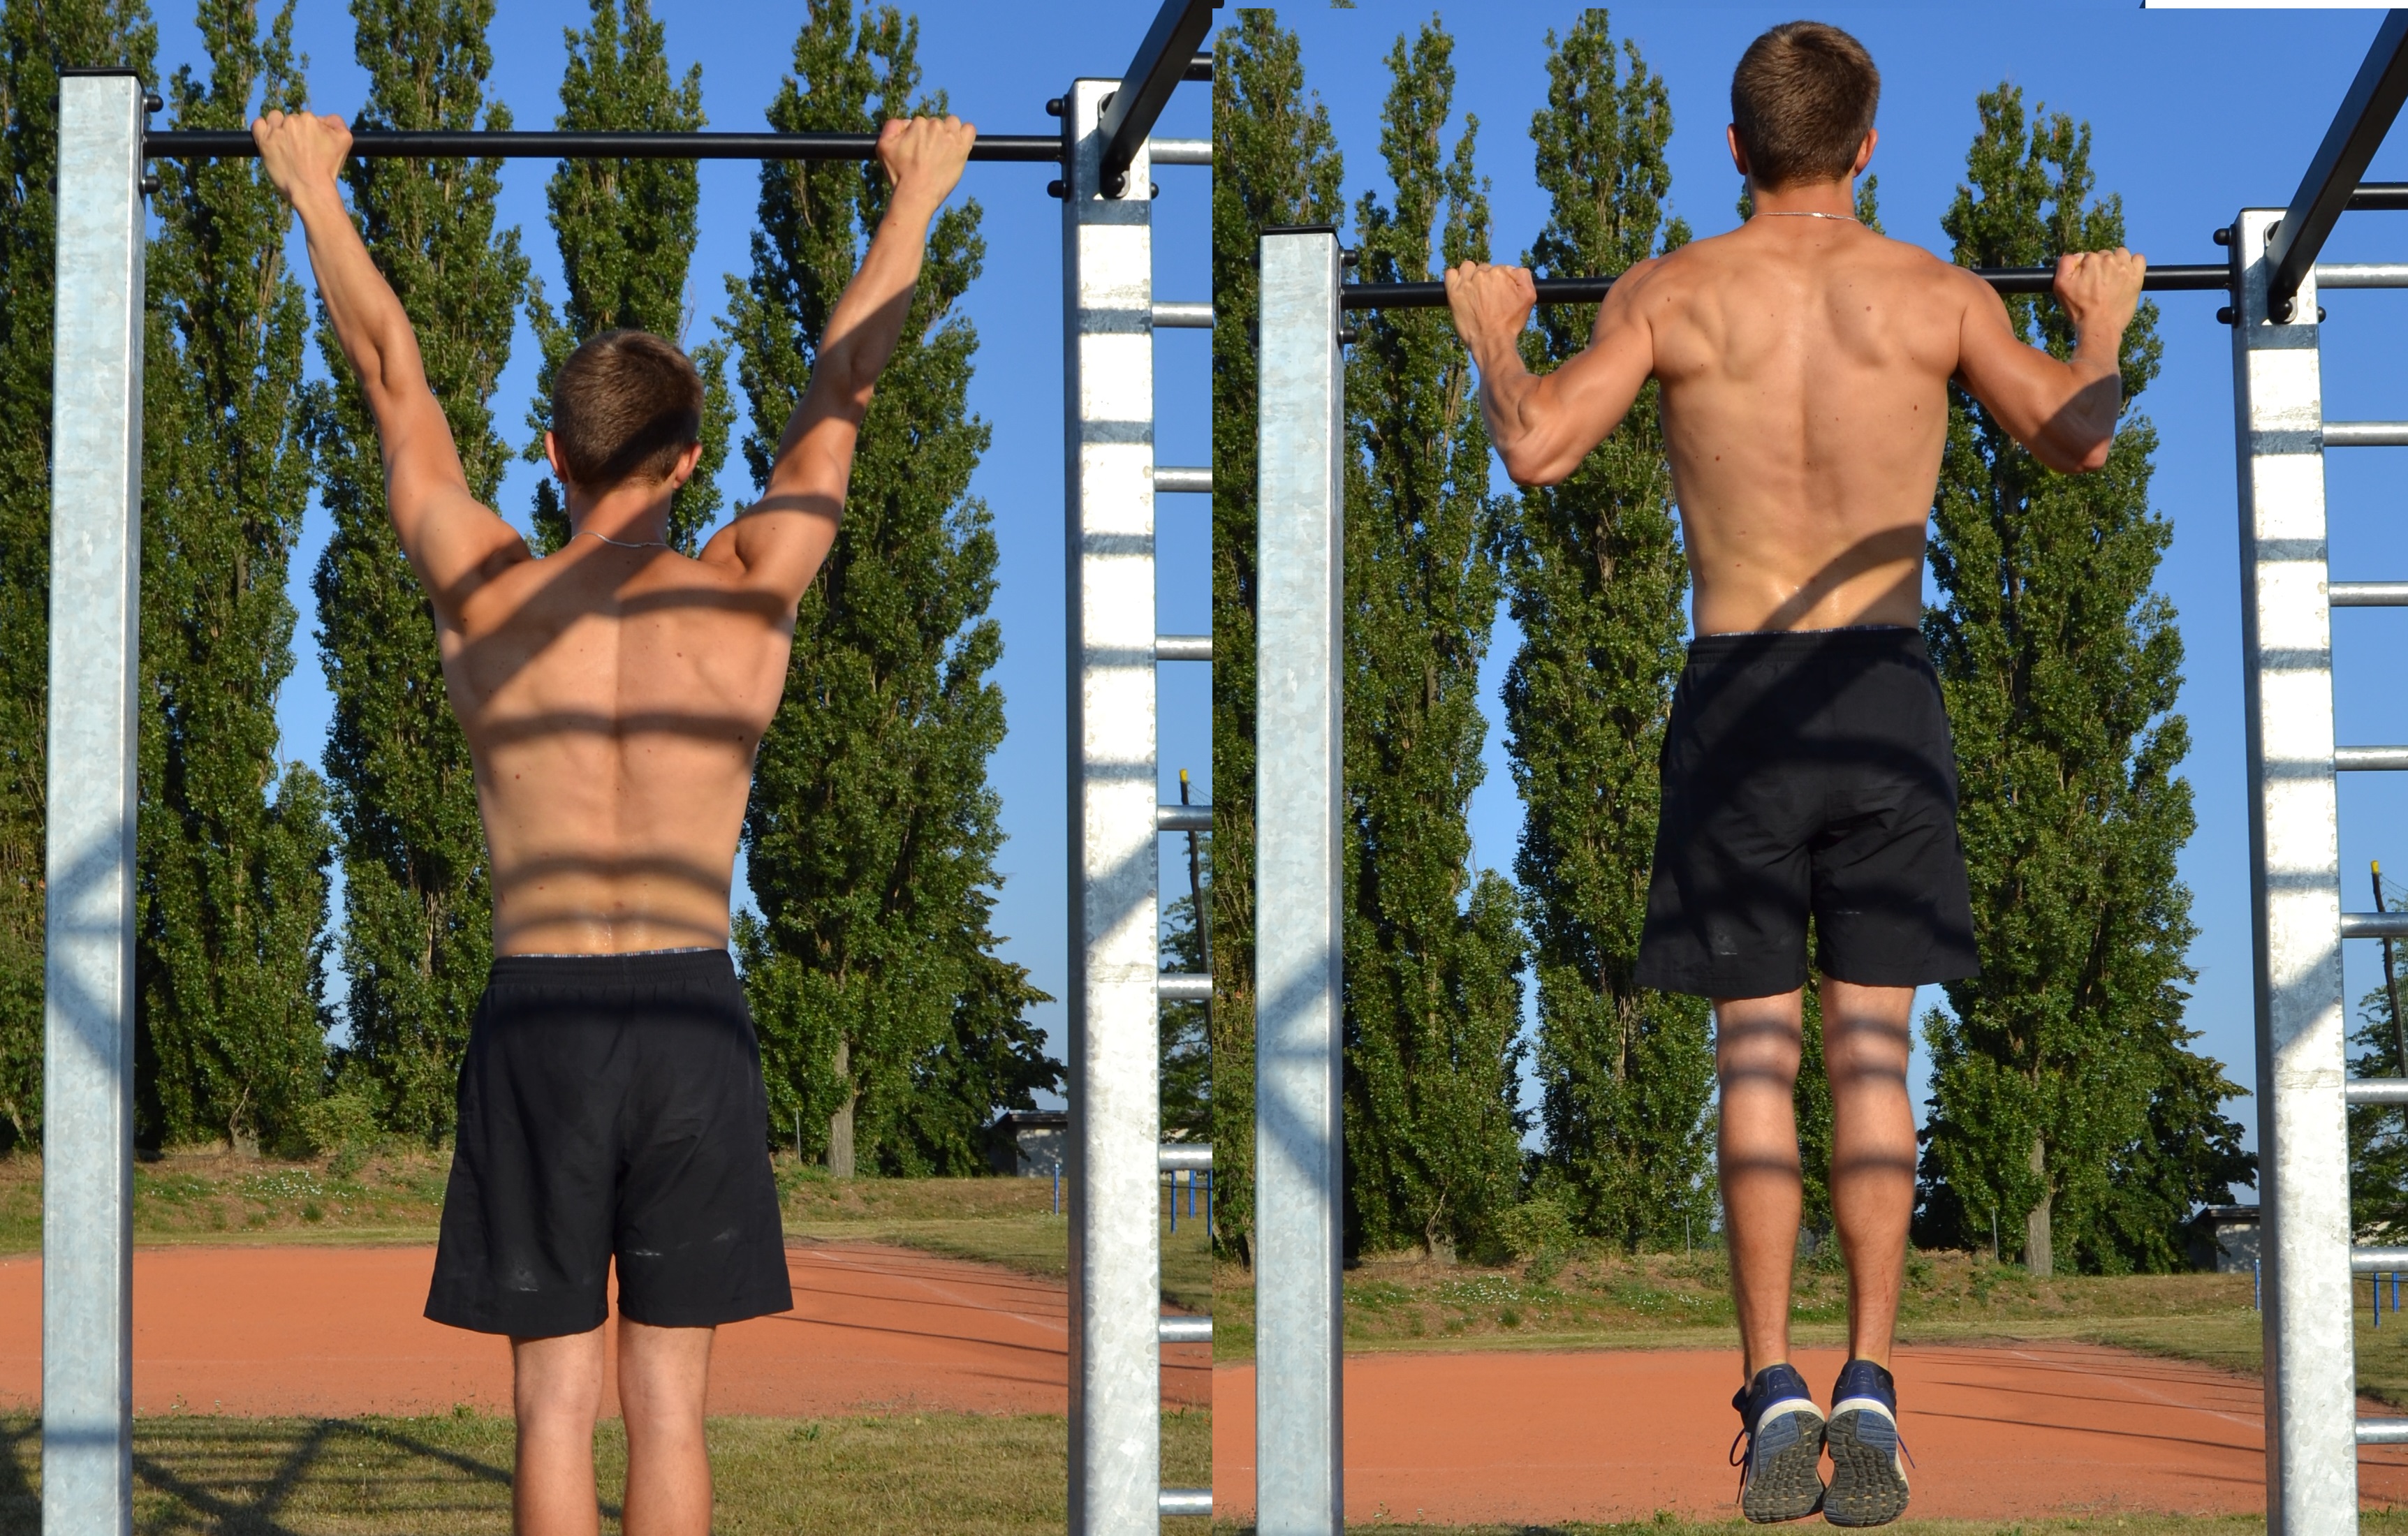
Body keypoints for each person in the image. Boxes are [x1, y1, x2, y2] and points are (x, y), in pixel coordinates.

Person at [1443, 20, 2143, 1530]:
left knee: (1752, 1060)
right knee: (1869, 1058)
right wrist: (2095, 325)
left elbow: (1538, 446)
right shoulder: (1936, 295)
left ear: (1732, 150)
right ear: (1867, 147)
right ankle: (1872, 1373)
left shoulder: (1674, 290)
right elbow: (2075, 439)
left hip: (1738, 692)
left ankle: (1770, 1382)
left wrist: (1494, 328)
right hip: (1881, 693)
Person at [254, 107, 976, 1536]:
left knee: (553, 1409)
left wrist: (311, 193)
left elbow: (391, 378)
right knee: (668, 1411)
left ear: (549, 456)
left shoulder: (490, 587)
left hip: (541, 1016)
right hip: (690, 1013)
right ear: (694, 459)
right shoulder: (750, 580)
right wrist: (916, 197)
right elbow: (843, 382)